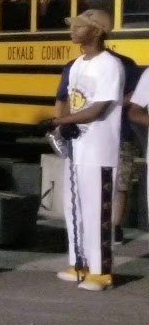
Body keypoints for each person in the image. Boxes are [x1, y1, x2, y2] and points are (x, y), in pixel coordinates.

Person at [44, 9, 123, 291]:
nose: (73, 30)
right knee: (73, 206)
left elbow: (98, 108)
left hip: (99, 149)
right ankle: (79, 263)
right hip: (77, 147)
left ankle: (101, 272)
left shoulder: (110, 65)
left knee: (96, 210)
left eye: (80, 26)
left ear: (97, 32)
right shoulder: (77, 63)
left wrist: (60, 120)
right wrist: (60, 126)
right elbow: (67, 99)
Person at [55, 42, 140, 245]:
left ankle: (113, 226)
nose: (73, 33)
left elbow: (137, 94)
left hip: (118, 132)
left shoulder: (121, 64)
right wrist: (60, 125)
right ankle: (89, 230)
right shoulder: (73, 65)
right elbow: (63, 97)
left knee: (119, 181)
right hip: (81, 135)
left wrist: (113, 101)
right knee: (84, 185)